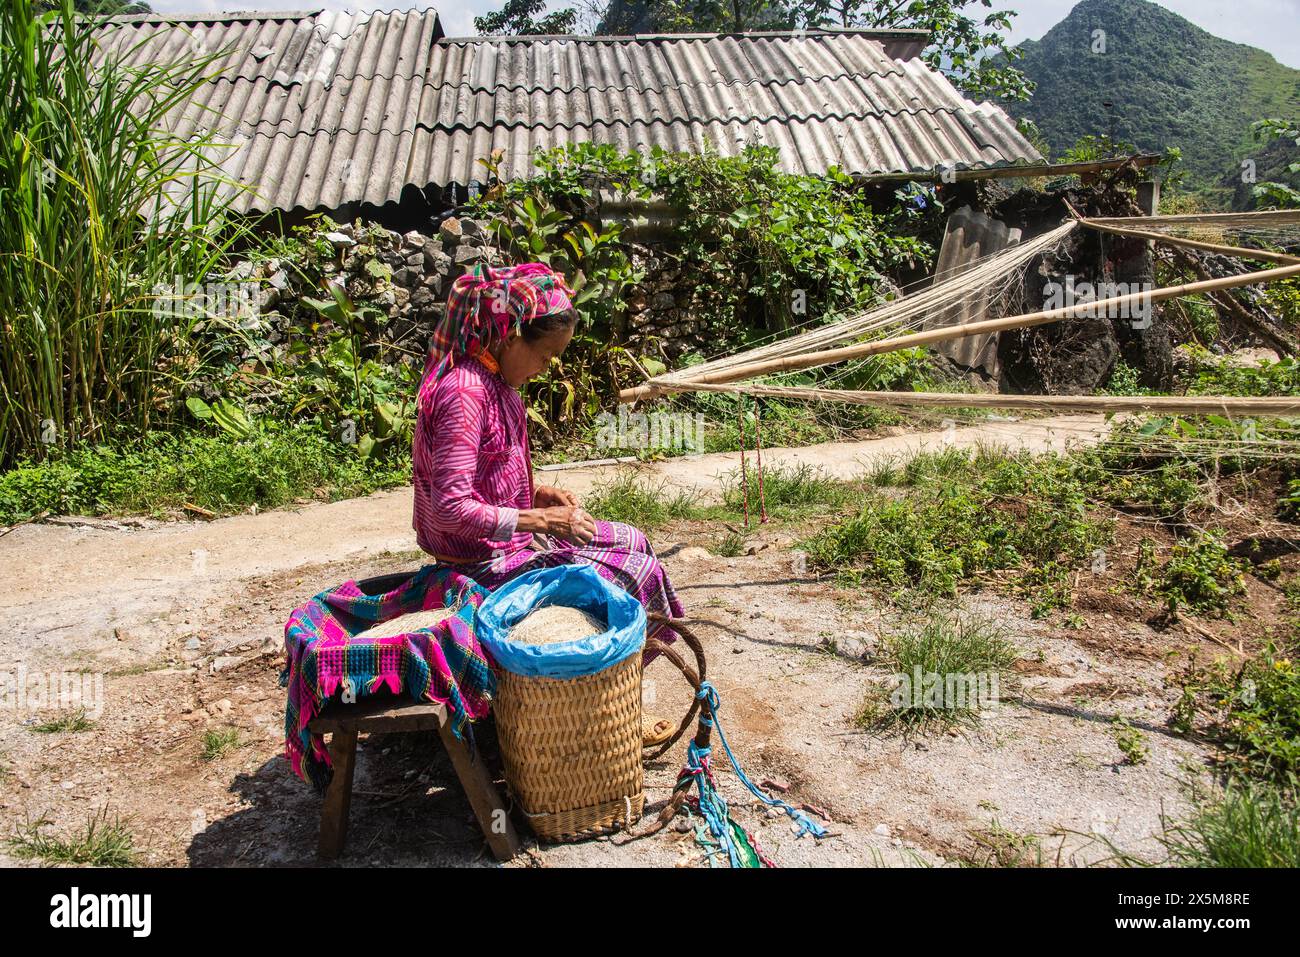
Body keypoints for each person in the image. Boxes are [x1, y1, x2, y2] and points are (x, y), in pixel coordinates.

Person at [411, 262, 684, 741]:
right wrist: (539, 518)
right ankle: (602, 709)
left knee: (634, 540)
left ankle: (616, 690)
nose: (546, 367)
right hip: (475, 564)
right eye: (545, 354)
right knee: (634, 573)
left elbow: (490, 480)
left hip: (510, 546)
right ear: (509, 335)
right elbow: (450, 507)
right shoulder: (464, 394)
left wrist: (538, 494)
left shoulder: (501, 389)